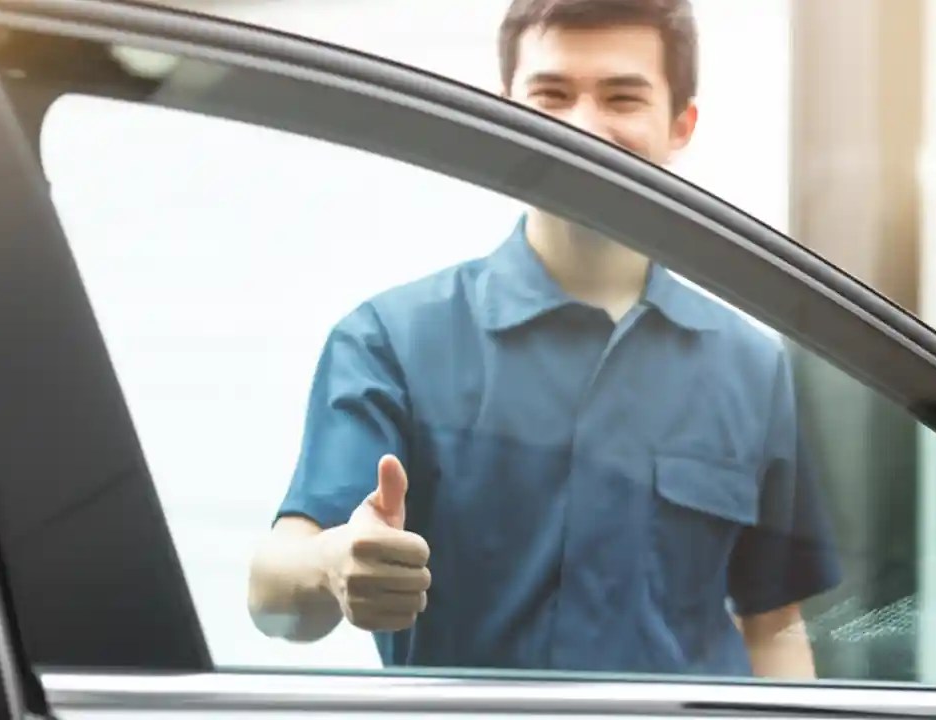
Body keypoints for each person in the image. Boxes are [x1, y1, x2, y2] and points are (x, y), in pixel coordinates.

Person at [247, 0, 841, 678]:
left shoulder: (750, 365)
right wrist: (331, 566)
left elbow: (774, 626)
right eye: (551, 94)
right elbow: (271, 593)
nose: (583, 128)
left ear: (681, 125)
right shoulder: (391, 343)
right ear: (503, 115)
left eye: (622, 97)